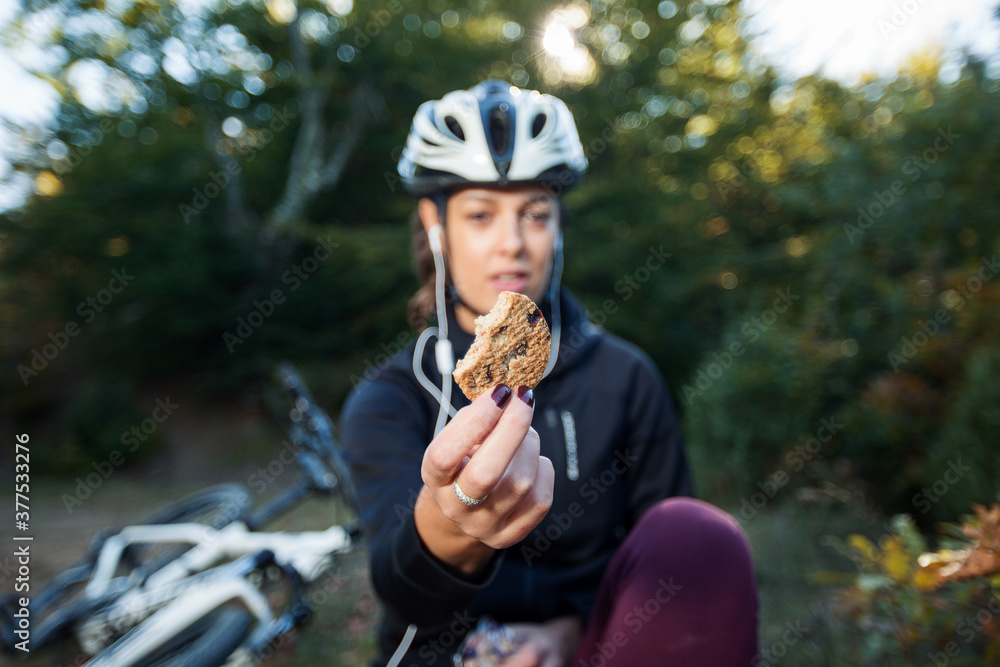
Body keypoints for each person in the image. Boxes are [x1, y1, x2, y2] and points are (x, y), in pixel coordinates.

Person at [339, 80, 759, 667]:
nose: (512, 244)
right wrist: (450, 522)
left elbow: (668, 567)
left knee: (699, 535)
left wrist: (565, 635)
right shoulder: (390, 399)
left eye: (535, 214)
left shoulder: (626, 378)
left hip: (594, 647)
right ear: (436, 225)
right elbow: (401, 589)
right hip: (447, 656)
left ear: (558, 227)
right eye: (481, 215)